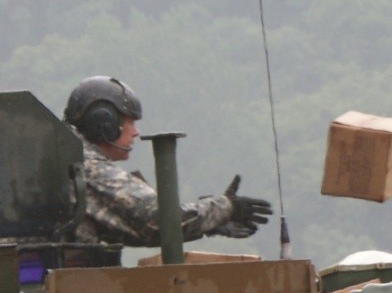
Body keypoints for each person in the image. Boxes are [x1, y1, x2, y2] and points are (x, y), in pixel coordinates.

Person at [62, 76, 271, 247]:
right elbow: (159, 221)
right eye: (130, 122)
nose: (135, 132)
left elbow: (132, 230)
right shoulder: (86, 165)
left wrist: (208, 223)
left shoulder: (64, 156)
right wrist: (225, 207)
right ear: (104, 123)